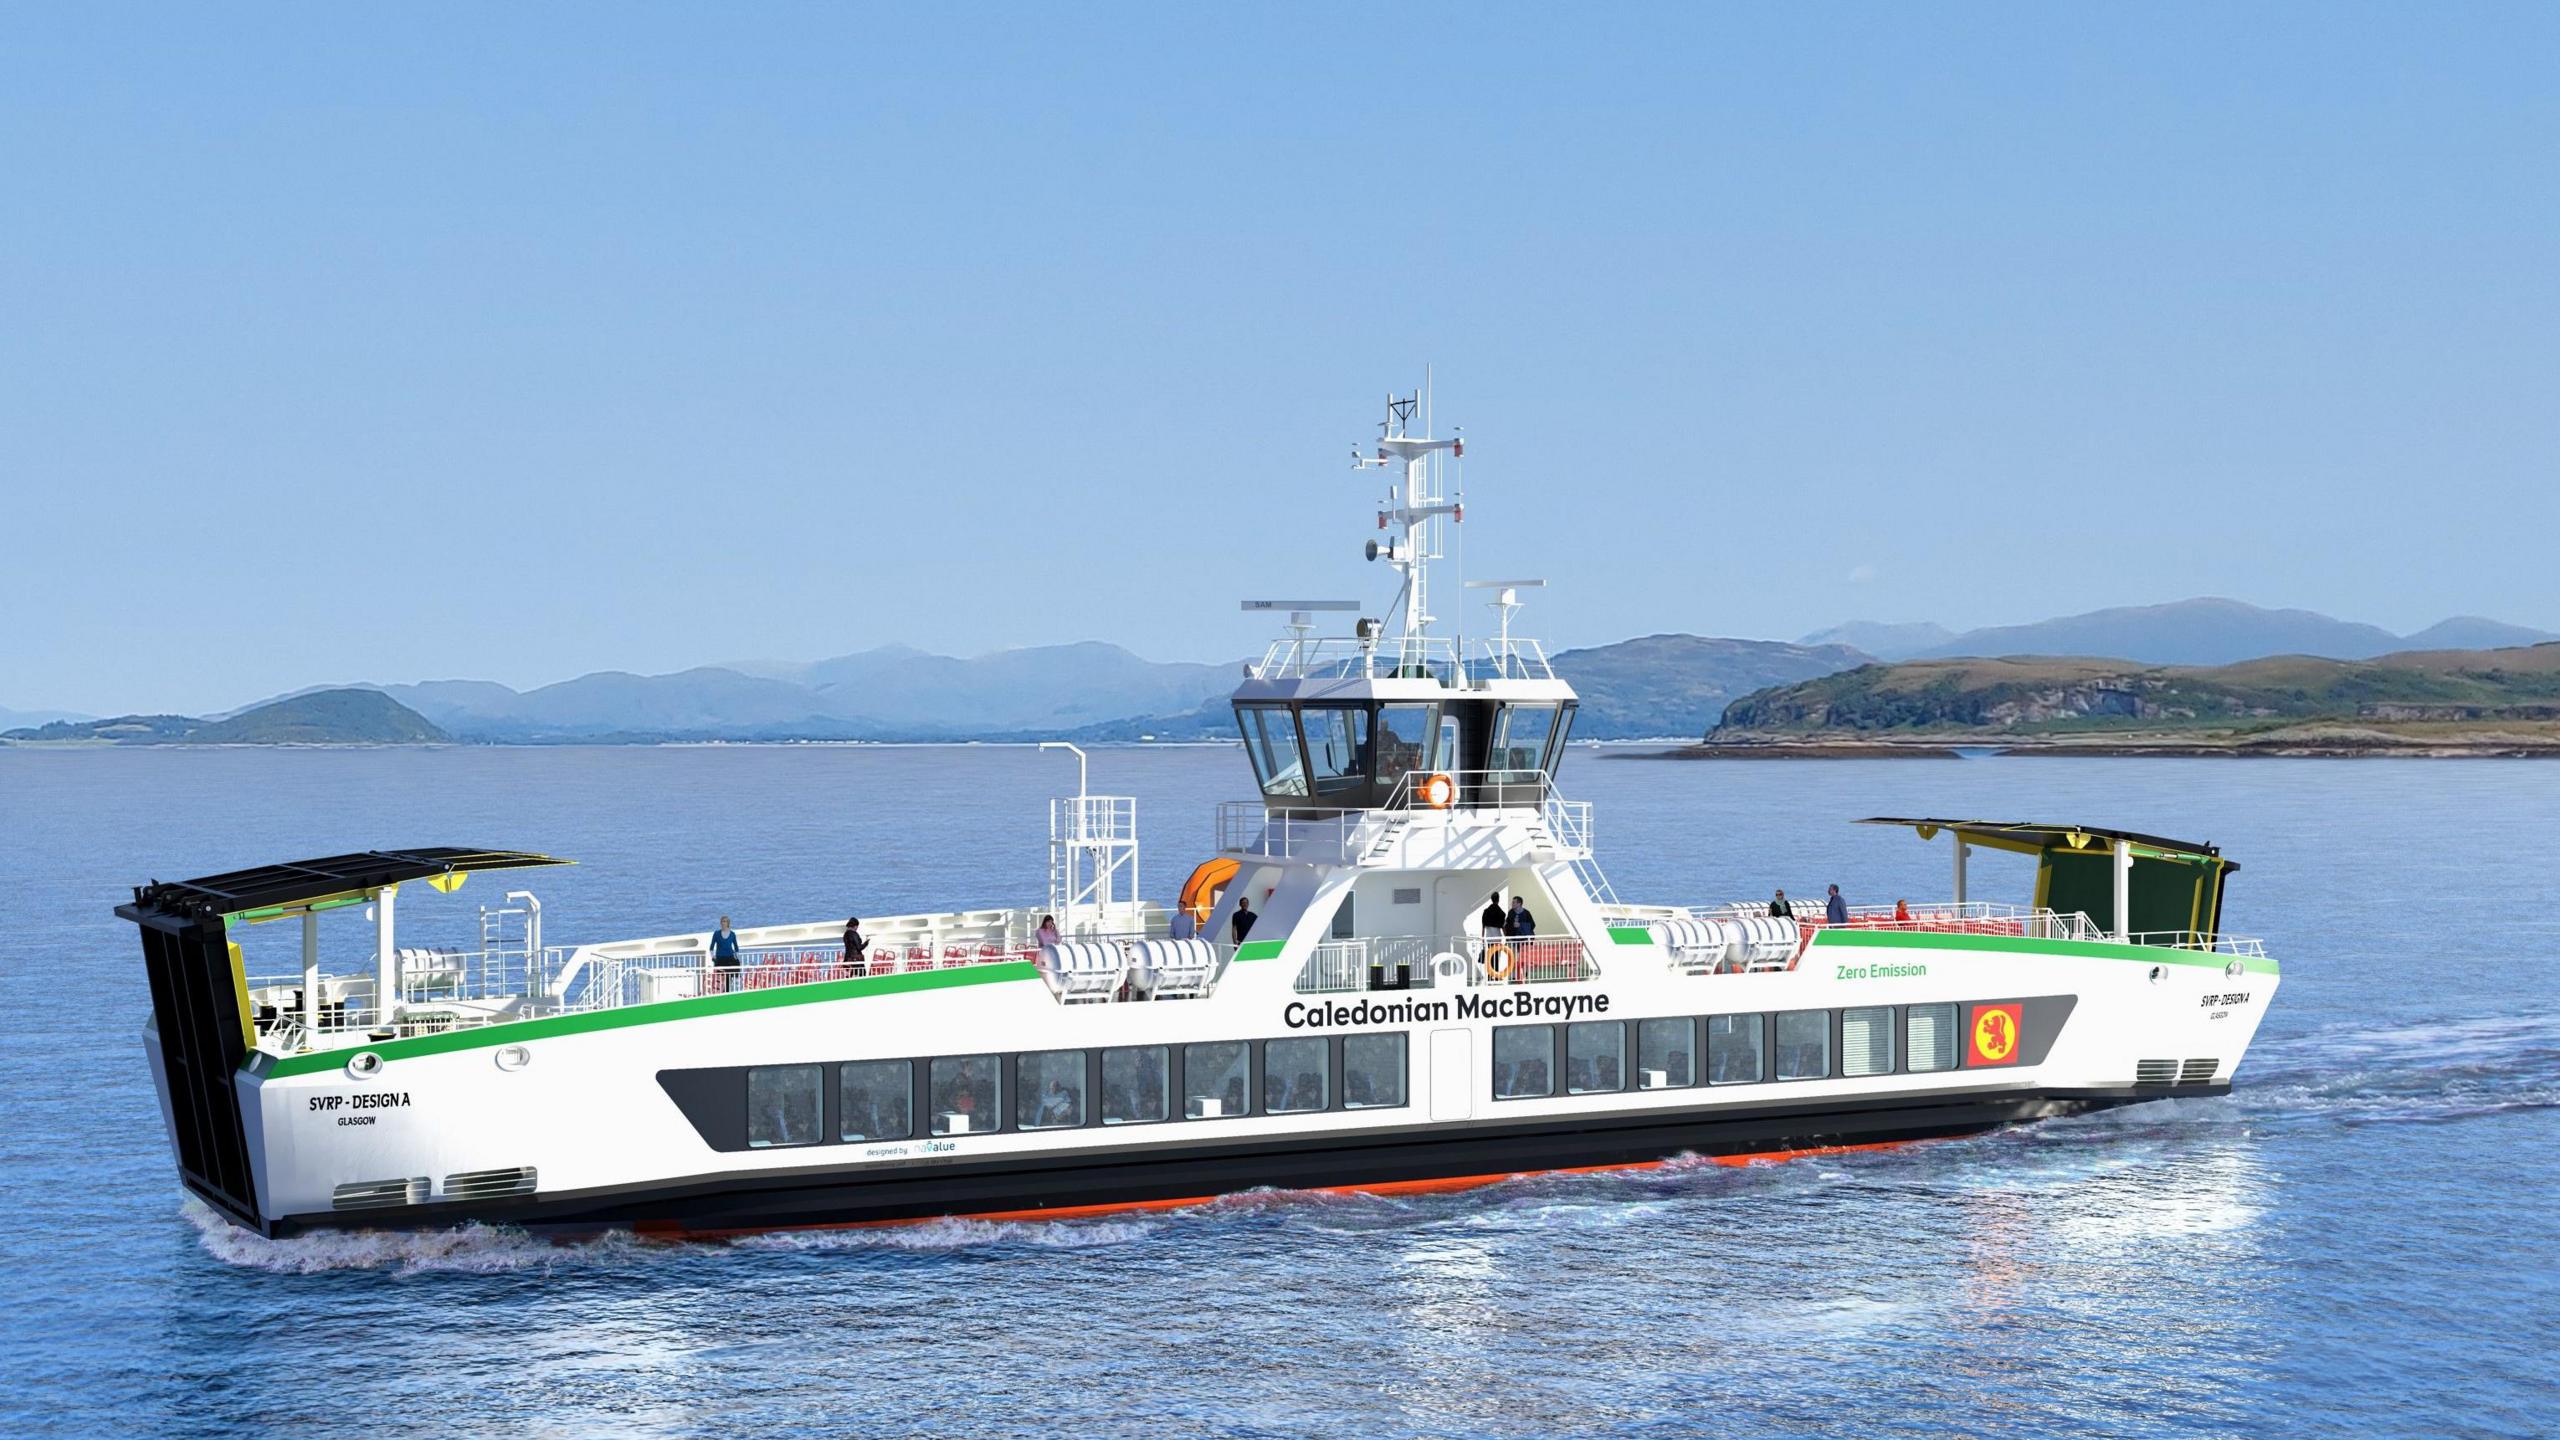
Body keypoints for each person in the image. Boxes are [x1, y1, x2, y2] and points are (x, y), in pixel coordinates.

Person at [709, 915, 741, 991]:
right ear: (720, 923)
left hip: (730, 957)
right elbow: (711, 947)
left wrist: (737, 957)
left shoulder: (732, 934)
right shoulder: (716, 933)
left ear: (728, 923)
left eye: (725, 921)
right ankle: (725, 990)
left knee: (736, 965)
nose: (723, 923)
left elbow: (736, 948)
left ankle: (730, 988)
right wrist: (713, 956)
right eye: (722, 921)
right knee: (724, 973)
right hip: (720, 958)